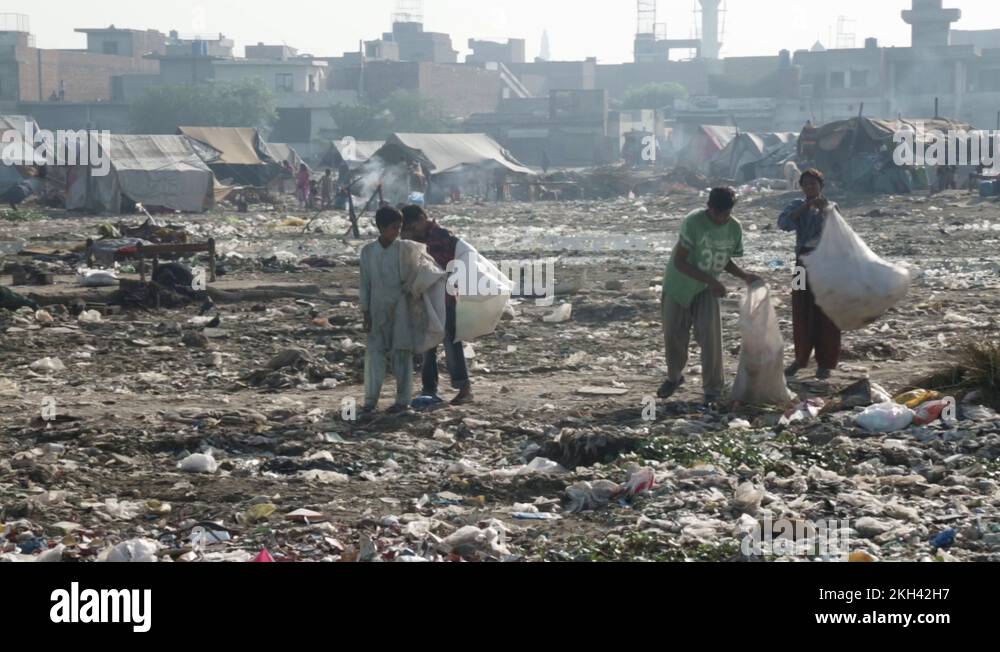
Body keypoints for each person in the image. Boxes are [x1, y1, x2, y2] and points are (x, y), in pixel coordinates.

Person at [659, 187, 760, 405]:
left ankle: (713, 388)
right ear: (709, 208)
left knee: (710, 336)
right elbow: (680, 261)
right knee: (674, 335)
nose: (722, 219)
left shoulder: (734, 228)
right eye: (718, 214)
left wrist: (744, 276)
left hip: (706, 288)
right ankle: (674, 377)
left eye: (727, 213)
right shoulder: (693, 222)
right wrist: (712, 281)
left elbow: (724, 259)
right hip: (679, 284)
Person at [401, 205, 474, 405]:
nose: (413, 230)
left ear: (422, 218)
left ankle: (464, 387)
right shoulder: (416, 238)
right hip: (427, 298)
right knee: (428, 344)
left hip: (446, 297)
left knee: (451, 342)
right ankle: (429, 389)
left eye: (414, 225)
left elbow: (443, 265)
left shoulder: (441, 236)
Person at [778, 168, 841, 380]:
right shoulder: (796, 205)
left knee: (827, 313)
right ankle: (800, 358)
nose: (809, 187)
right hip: (801, 262)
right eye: (805, 184)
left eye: (813, 184)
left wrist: (825, 210)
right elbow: (784, 223)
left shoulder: (831, 207)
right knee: (800, 309)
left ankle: (825, 363)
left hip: (826, 264)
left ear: (821, 186)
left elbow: (839, 231)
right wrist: (806, 206)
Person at [360, 207, 416, 414]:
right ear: (381, 227)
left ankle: (402, 400)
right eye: (393, 228)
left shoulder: (405, 249)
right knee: (375, 353)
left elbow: (416, 276)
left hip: (401, 307)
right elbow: (365, 283)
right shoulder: (368, 252)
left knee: (401, 352)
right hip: (377, 308)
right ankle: (370, 400)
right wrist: (365, 311)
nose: (397, 232)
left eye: (399, 227)